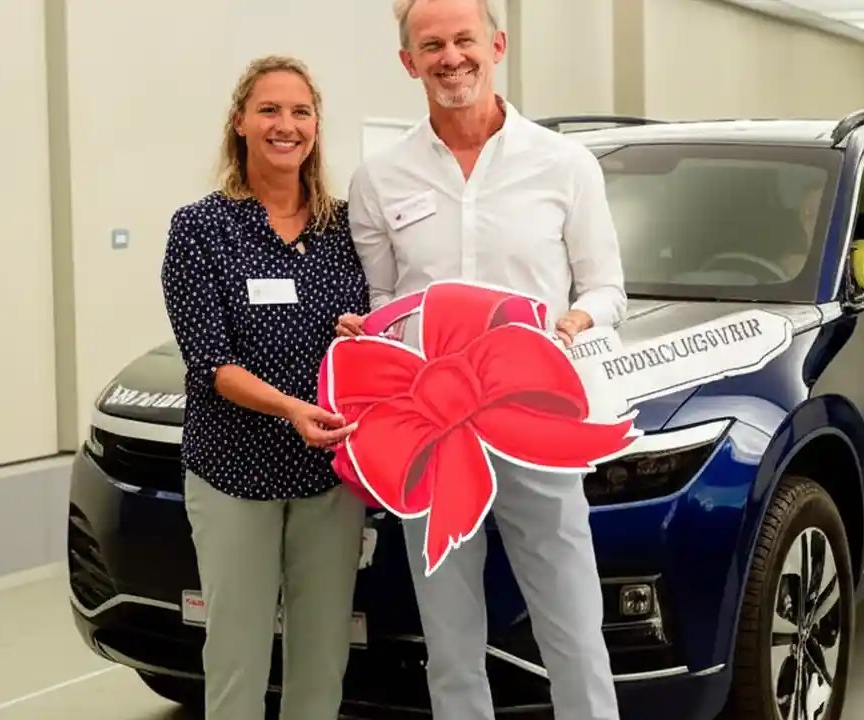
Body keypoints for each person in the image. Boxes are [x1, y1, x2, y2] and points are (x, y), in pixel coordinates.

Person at [337, 0, 627, 718]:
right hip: (430, 437)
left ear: (496, 45)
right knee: (450, 637)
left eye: (464, 39)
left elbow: (607, 286)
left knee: (573, 627)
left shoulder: (564, 165)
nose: (450, 57)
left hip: (536, 422)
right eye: (430, 45)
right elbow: (380, 304)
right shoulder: (380, 178)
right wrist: (363, 337)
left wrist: (580, 318)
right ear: (409, 63)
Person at [159, 55, 370, 720]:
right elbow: (209, 363)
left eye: (300, 111)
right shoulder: (202, 228)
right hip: (233, 473)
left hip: (327, 476)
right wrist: (289, 408)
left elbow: (376, 332)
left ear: (316, 126)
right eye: (270, 110)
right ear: (241, 123)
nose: (286, 124)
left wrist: (365, 335)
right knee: (238, 653)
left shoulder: (344, 229)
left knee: (322, 651)